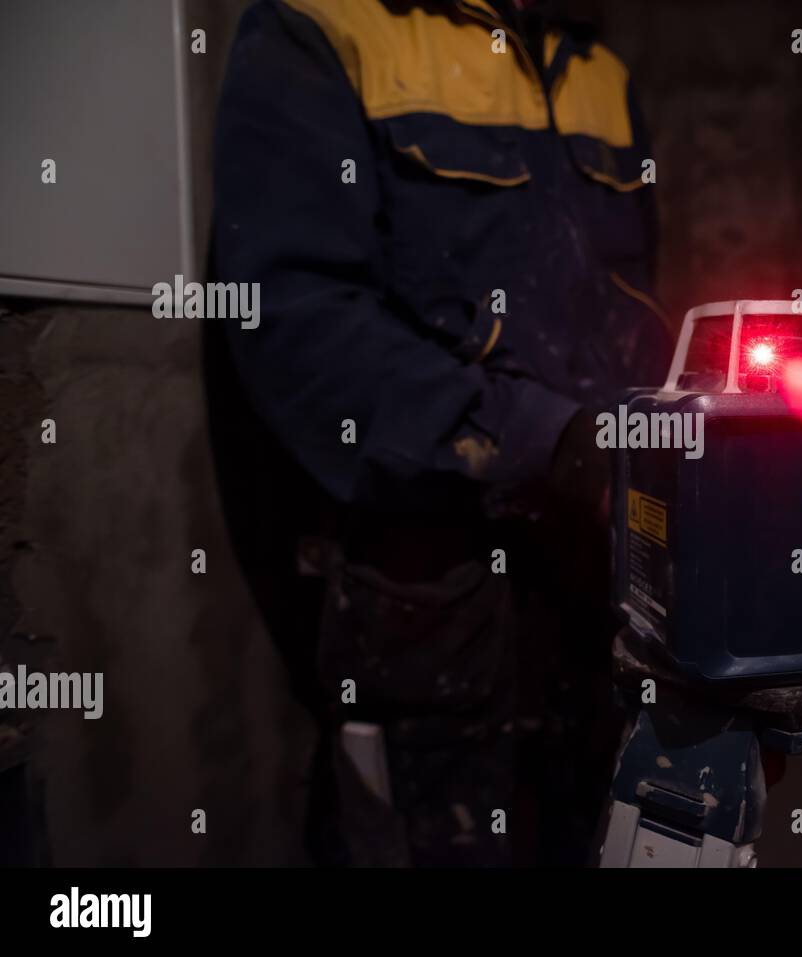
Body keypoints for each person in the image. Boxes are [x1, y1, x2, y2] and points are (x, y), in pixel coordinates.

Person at [208, 0, 672, 866]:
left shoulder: (597, 70)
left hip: (601, 607)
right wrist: (549, 441)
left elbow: (636, 322)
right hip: (430, 612)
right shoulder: (325, 27)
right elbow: (296, 325)